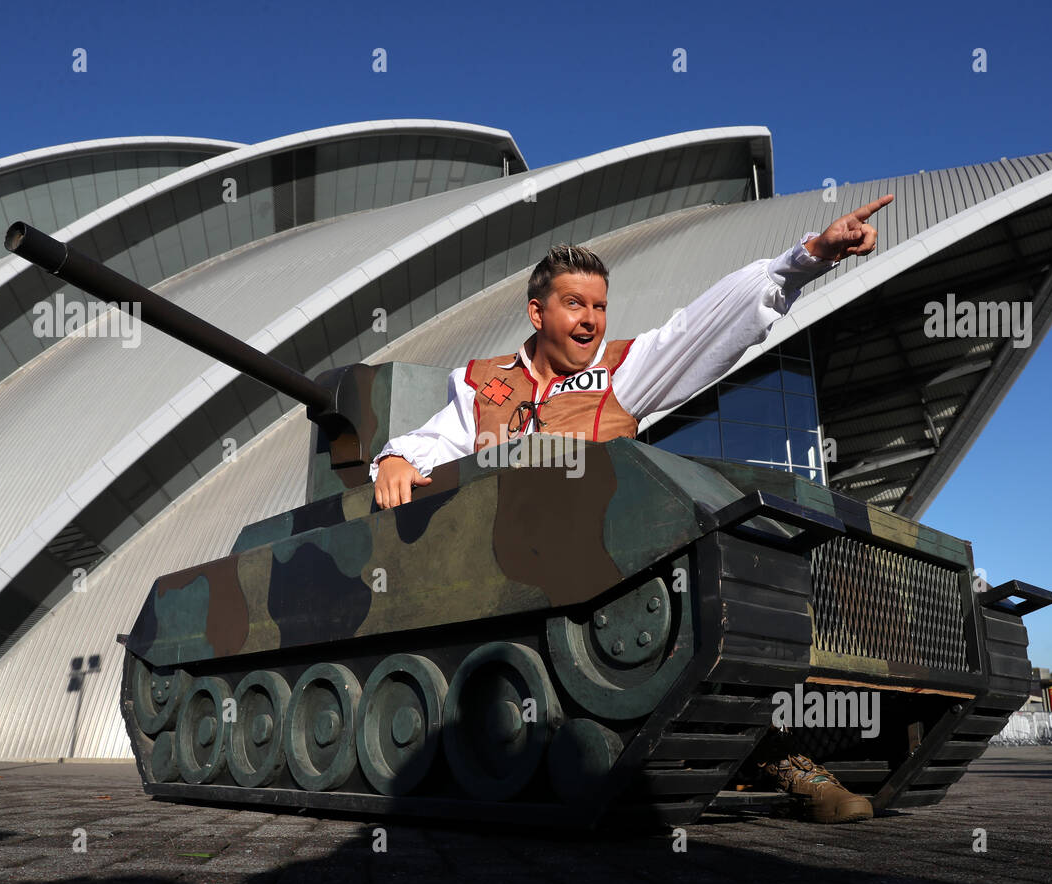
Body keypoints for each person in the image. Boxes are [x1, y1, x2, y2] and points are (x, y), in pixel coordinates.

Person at [372, 195, 895, 822]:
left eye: (598, 306)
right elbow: (436, 441)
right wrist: (396, 459)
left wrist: (805, 259)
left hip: (602, 567)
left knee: (701, 635)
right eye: (574, 304)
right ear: (536, 311)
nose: (591, 320)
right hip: (494, 579)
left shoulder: (621, 370)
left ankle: (767, 753)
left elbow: (702, 323)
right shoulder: (482, 382)